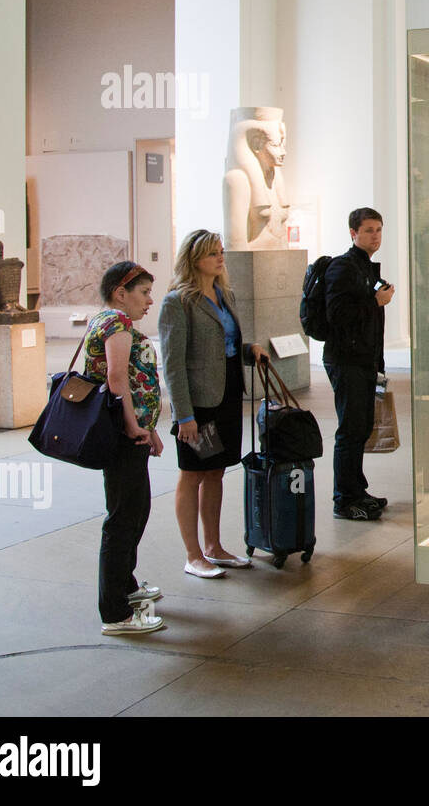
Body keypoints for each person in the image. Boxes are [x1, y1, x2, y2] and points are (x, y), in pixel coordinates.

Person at [159, 230, 268, 579]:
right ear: (194, 260)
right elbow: (173, 363)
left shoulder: (225, 294)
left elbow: (227, 343)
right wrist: (183, 414)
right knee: (192, 474)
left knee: (217, 472)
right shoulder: (178, 301)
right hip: (199, 403)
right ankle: (193, 556)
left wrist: (249, 348)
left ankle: (214, 547)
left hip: (228, 396)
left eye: (221, 252)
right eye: (212, 254)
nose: (220, 259)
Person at [85, 262, 166, 634]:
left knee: (135, 509)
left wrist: (149, 429)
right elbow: (118, 378)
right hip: (122, 435)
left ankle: (126, 587)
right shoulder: (116, 324)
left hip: (132, 433)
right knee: (122, 518)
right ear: (121, 293)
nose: (150, 301)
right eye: (144, 292)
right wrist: (136, 427)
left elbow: (134, 379)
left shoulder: (111, 321)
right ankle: (115, 612)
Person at [324, 207, 395, 520]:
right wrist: (374, 301)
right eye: (368, 230)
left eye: (378, 230)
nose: (375, 236)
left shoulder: (365, 267)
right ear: (353, 233)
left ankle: (357, 490)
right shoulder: (343, 267)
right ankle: (344, 498)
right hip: (346, 359)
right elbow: (336, 315)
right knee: (350, 429)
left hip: (363, 360)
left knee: (361, 427)